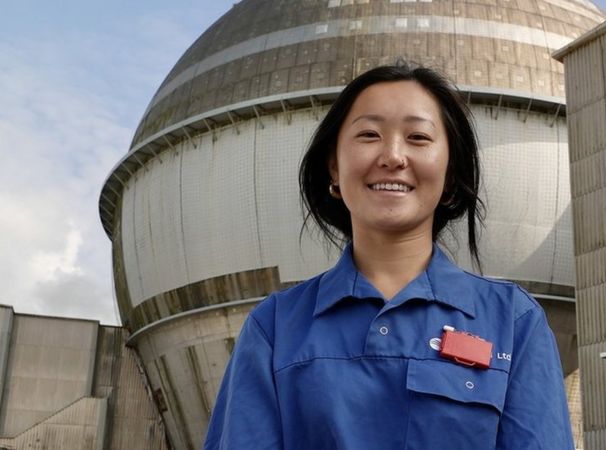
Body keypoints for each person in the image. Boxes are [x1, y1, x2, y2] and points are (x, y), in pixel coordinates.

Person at [203, 62, 573, 450]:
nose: (393, 156)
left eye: (417, 137)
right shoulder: (275, 328)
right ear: (334, 166)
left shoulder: (514, 323)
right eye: (369, 134)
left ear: (449, 175)